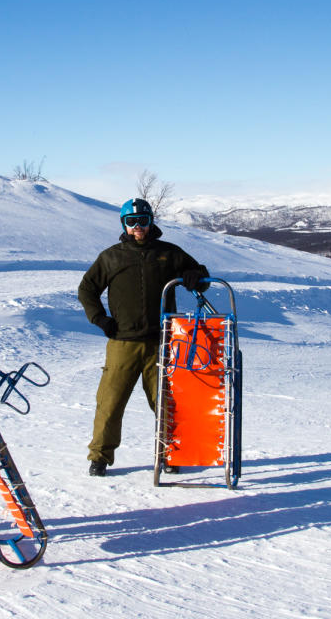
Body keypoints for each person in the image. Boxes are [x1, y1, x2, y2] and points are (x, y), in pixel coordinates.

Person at [77, 198, 209, 476]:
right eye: (132, 221)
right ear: (124, 224)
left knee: (166, 401)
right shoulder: (111, 256)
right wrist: (100, 319)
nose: (138, 227)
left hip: (161, 342)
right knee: (110, 402)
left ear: (151, 222)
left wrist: (195, 275)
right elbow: (87, 289)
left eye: (144, 221)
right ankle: (100, 457)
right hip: (122, 342)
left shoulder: (169, 253)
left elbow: (201, 274)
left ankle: (172, 454)